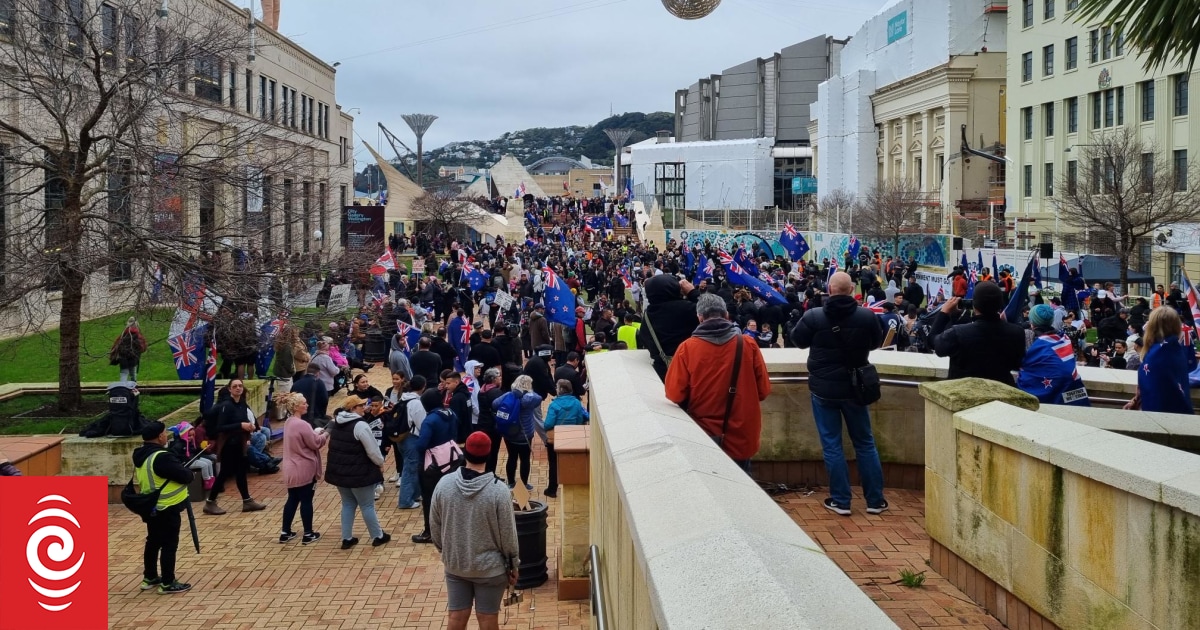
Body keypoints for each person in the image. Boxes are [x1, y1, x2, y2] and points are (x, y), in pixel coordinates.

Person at [791, 272, 887, 516]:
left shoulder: (814, 316)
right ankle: (875, 500)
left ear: (829, 290)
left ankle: (841, 500)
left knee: (832, 445)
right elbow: (876, 343)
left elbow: (798, 341)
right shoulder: (866, 316)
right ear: (852, 289)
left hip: (824, 389)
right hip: (856, 388)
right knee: (865, 443)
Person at [665, 293, 771, 473]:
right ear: (726, 315)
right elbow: (763, 390)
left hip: (705, 433)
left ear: (699, 318)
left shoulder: (687, 348)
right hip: (742, 432)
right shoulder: (748, 344)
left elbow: (674, 393)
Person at [430, 431, 520, 630]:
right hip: (490, 568)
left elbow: (434, 525)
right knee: (487, 619)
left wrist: (446, 551)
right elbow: (508, 534)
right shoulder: (499, 491)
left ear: (465, 453)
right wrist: (514, 563)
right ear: (489, 455)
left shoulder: (444, 484)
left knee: (456, 616)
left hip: (456, 565)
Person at [133, 421, 194, 594]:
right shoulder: (161, 457)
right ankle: (168, 582)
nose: (166, 436)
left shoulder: (141, 454)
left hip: (151, 506)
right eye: (164, 433)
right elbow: (185, 476)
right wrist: (187, 472)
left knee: (153, 541)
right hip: (167, 506)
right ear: (159, 436)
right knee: (169, 544)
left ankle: (150, 576)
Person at [929, 281, 1027, 386]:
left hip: (964, 392)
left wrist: (944, 314)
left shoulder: (957, 333)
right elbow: (1017, 363)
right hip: (1000, 393)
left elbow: (933, 342)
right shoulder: (1017, 332)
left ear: (974, 305)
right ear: (1000, 305)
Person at [325, 396, 390, 549]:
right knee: (367, 505)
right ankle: (378, 535)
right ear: (353, 409)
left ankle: (346, 538)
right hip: (359, 472)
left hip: (340, 472)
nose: (364, 407)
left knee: (348, 504)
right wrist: (380, 463)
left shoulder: (337, 423)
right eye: (361, 405)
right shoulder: (360, 425)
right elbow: (372, 450)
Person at [204, 380, 267, 515]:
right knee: (225, 472)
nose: (238, 388)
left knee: (241, 472)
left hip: (239, 443)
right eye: (235, 386)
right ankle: (210, 502)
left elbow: (243, 422)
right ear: (229, 389)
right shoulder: (227, 405)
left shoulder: (242, 404)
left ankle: (247, 500)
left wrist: (249, 427)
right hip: (228, 444)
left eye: (240, 386)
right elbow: (220, 427)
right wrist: (241, 425)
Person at [278, 392, 329, 545]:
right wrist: (326, 433)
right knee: (306, 500)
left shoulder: (288, 422)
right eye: (304, 403)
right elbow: (315, 443)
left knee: (292, 499)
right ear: (296, 406)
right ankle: (308, 533)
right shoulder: (302, 424)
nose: (306, 405)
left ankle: (285, 532)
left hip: (290, 469)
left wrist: (314, 433)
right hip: (304, 468)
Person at [411, 392, 461, 544]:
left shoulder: (430, 420)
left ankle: (430, 532)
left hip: (432, 465)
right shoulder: (451, 413)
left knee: (429, 499)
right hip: (452, 459)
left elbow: (421, 445)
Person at [1125, 307, 1196, 414]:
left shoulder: (1156, 353)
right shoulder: (1176, 349)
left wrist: (1136, 400)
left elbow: (1148, 383)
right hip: (1180, 410)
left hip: (1158, 414)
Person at [1017, 305, 1090, 406]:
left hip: (1038, 391)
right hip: (1070, 389)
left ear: (1032, 322)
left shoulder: (1029, 339)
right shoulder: (1063, 338)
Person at [637, 274, 700, 380]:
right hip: (692, 370)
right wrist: (692, 292)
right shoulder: (688, 309)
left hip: (665, 373)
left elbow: (645, 339)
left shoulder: (648, 316)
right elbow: (715, 312)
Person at [494, 374, 543, 492]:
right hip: (525, 435)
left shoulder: (509, 395)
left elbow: (495, 404)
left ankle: (511, 482)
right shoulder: (529, 399)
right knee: (525, 459)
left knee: (511, 457)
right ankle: (524, 484)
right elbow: (539, 398)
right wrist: (529, 391)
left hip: (509, 433)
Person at [542, 379, 589, 498]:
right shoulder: (577, 403)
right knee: (572, 461)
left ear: (559, 390)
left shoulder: (554, 405)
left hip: (556, 438)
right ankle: (572, 485)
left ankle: (552, 489)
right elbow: (580, 419)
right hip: (572, 436)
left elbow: (548, 424)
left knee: (553, 464)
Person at [397, 375, 428, 510]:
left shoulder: (403, 399)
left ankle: (415, 494)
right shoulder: (416, 403)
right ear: (423, 387)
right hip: (412, 438)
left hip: (402, 438)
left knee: (412, 466)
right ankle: (405, 500)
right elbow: (422, 424)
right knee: (410, 469)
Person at [475, 368, 507, 474]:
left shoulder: (482, 389)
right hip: (493, 426)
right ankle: (491, 474)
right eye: (499, 376)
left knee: (486, 451)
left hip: (482, 423)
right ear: (493, 379)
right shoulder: (495, 392)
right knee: (493, 451)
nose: (501, 378)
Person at [111, 317, 148, 382]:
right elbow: (143, 348)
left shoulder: (123, 335)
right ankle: (133, 388)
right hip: (134, 358)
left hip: (123, 358)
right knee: (133, 375)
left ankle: (122, 389)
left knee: (124, 374)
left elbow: (115, 346)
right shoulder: (139, 336)